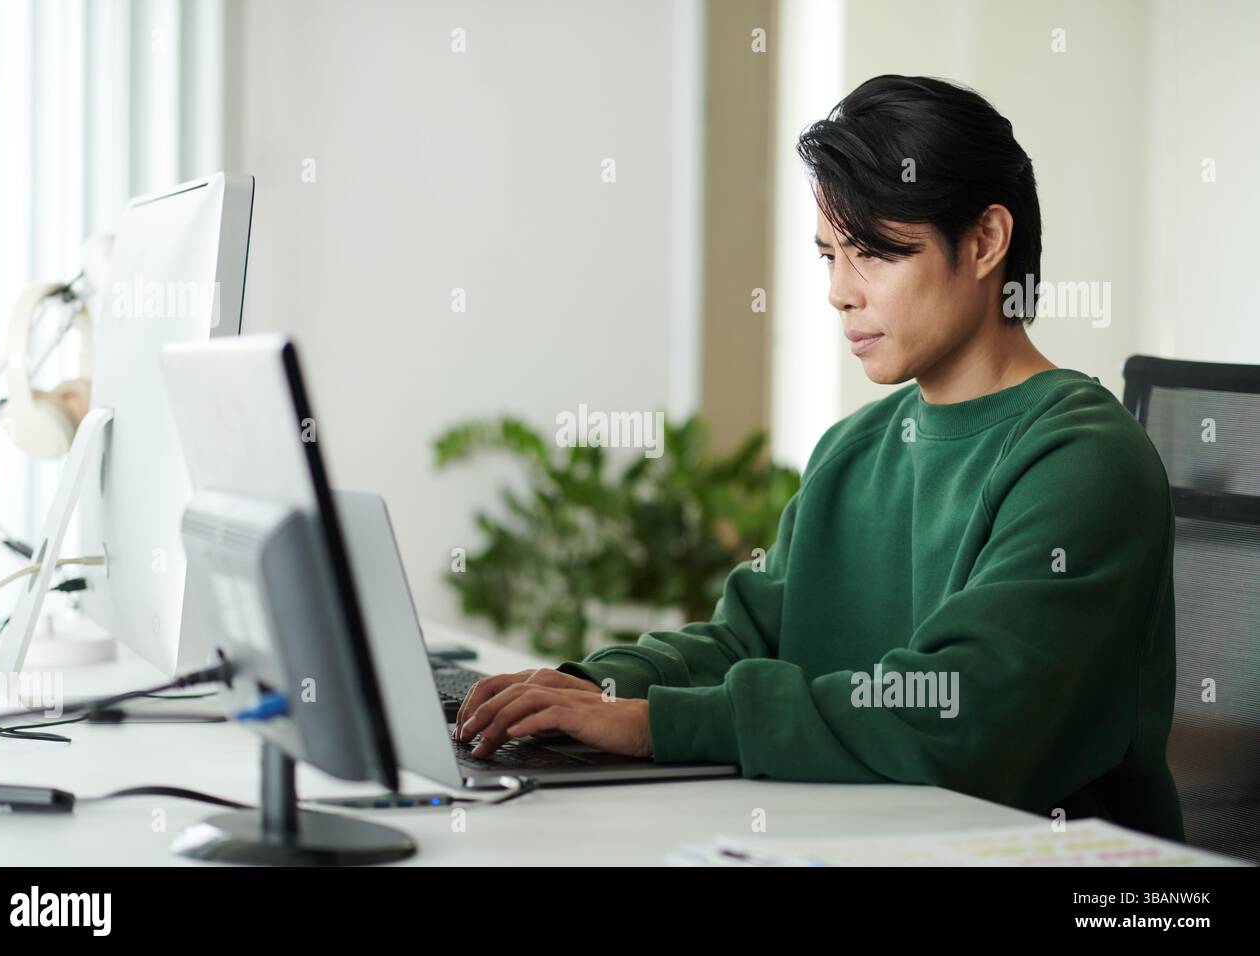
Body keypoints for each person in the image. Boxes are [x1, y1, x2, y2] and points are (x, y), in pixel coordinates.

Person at [454, 75, 1183, 840]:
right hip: (858, 838)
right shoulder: (856, 449)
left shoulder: (1084, 459)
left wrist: (652, 723)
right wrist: (583, 690)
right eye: (830, 255)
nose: (840, 292)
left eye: (873, 253)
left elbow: (959, 713)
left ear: (985, 242)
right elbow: (745, 640)